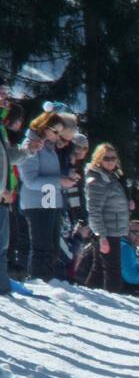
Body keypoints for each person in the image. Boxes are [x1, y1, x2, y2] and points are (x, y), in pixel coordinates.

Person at [16, 110, 75, 281]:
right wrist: (59, 182)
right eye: (55, 132)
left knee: (53, 247)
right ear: (44, 126)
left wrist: (66, 177)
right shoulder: (31, 145)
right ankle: (39, 280)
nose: (57, 137)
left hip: (49, 200)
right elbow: (30, 180)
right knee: (42, 247)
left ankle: (48, 280)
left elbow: (49, 173)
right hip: (36, 203)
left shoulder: (48, 146)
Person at [84, 143, 130, 293]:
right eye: (106, 158)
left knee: (99, 268)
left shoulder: (109, 177)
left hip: (113, 228)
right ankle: (115, 299)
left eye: (113, 158)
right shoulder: (97, 179)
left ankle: (87, 296)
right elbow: (94, 210)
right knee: (112, 269)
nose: (110, 161)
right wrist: (101, 236)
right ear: (98, 160)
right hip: (106, 231)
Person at [0, 93, 34, 296]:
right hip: (19, 199)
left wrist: (28, 151)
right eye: (2, 92)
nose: (5, 97)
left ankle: (4, 287)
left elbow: (9, 157)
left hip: (6, 195)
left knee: (4, 246)